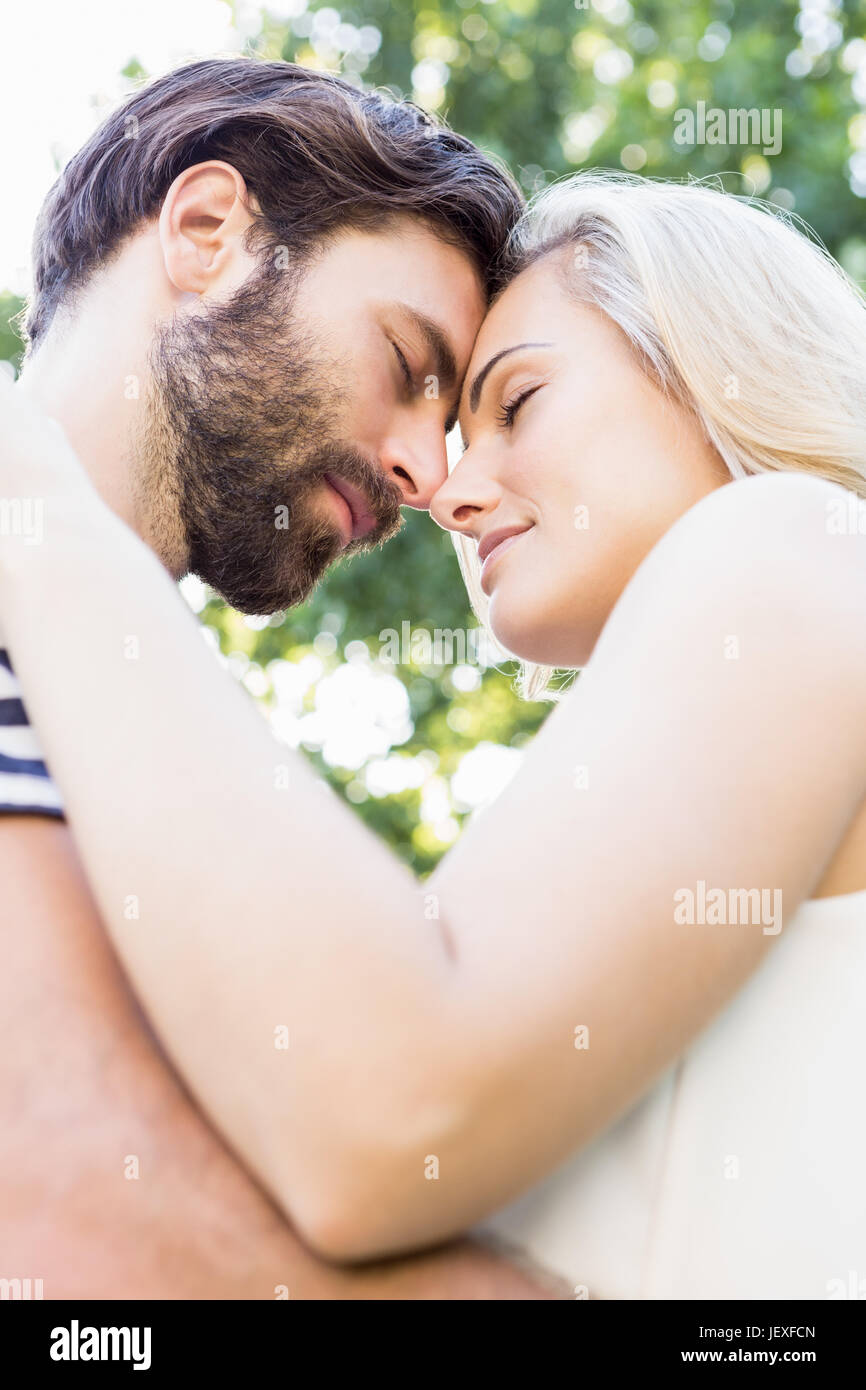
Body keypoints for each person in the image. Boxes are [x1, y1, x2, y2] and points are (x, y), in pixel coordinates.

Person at [4, 171, 866, 1299]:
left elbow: (382, 1114)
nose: (447, 490)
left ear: (713, 366)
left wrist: (33, 490)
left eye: (516, 403)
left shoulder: (793, 545)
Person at [0, 55, 569, 1301]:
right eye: (406, 359)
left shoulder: (153, 737)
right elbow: (59, 1208)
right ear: (208, 230)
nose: (427, 474)